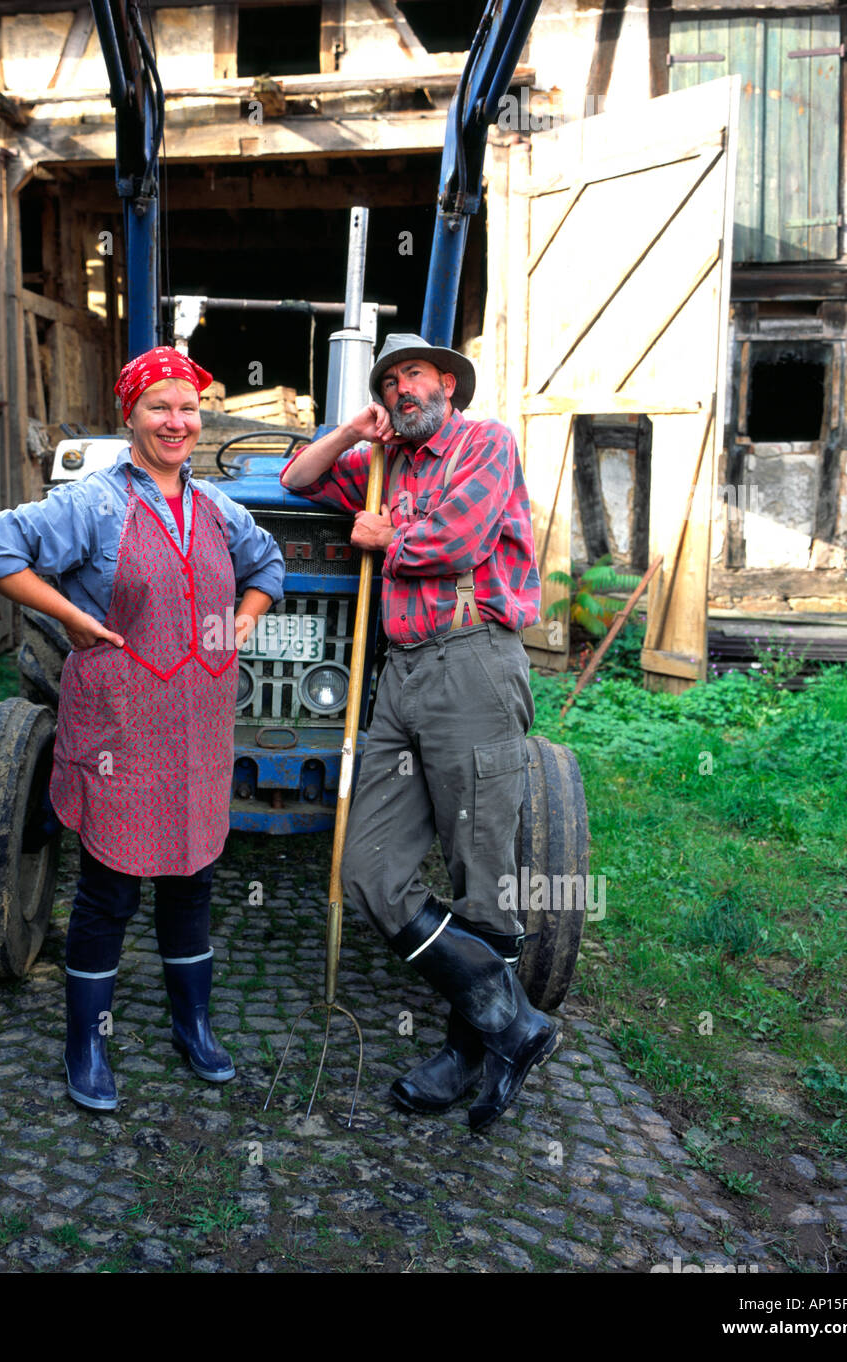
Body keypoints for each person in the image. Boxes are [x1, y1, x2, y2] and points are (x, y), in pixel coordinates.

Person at [0, 346, 284, 1111]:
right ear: (129, 416)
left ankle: (193, 1026)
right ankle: (86, 1044)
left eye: (188, 407)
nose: (177, 421)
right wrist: (70, 617)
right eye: (159, 407)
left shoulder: (219, 511)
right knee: (108, 891)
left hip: (198, 733)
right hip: (119, 733)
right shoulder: (93, 504)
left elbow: (268, 564)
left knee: (192, 880)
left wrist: (238, 624)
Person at [279, 332, 558, 1133]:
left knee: (483, 873)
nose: (403, 389)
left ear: (448, 384)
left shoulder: (486, 444)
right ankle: (514, 1027)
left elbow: (456, 543)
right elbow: (300, 478)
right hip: (399, 677)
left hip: (471, 664)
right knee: (365, 868)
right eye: (391, 381)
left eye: (415, 376)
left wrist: (382, 537)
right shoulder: (382, 465)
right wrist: (350, 434)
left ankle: (466, 1055)